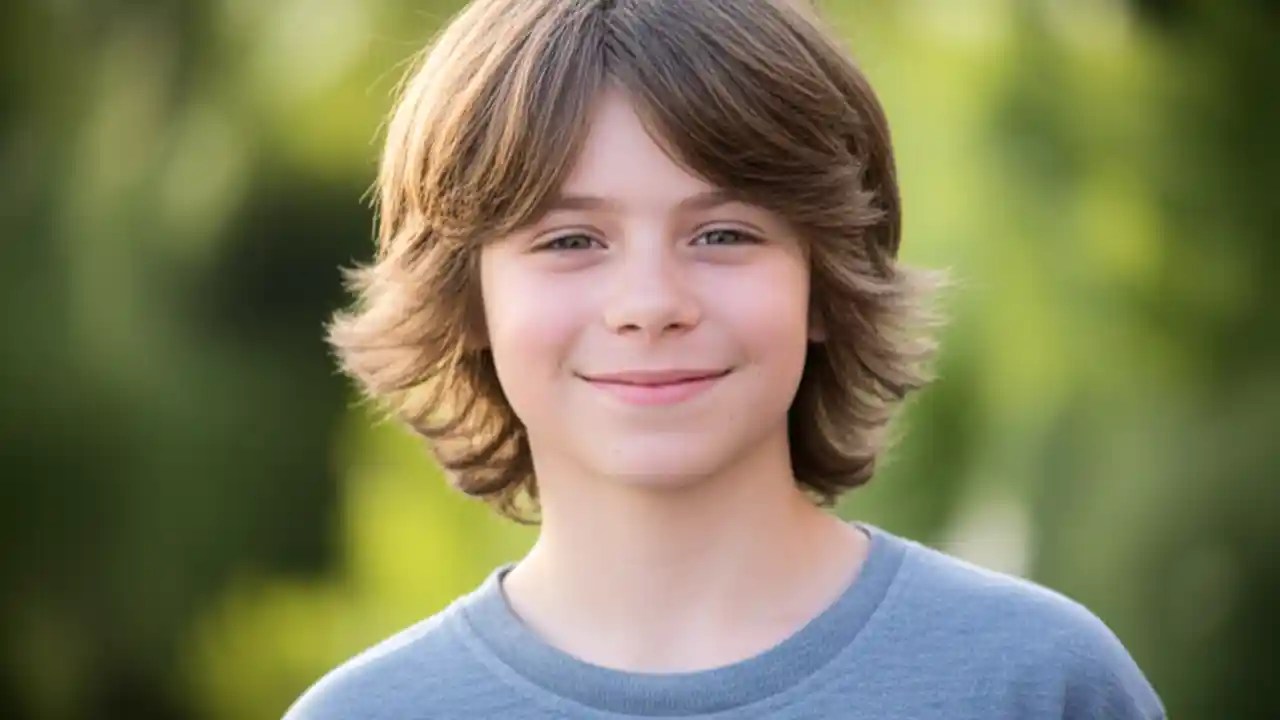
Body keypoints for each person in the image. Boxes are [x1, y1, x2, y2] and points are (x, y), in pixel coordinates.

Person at [285, 0, 1165, 717]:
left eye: (722, 233)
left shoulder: (1036, 683)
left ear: (825, 278)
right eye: (571, 240)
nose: (651, 305)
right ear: (468, 299)